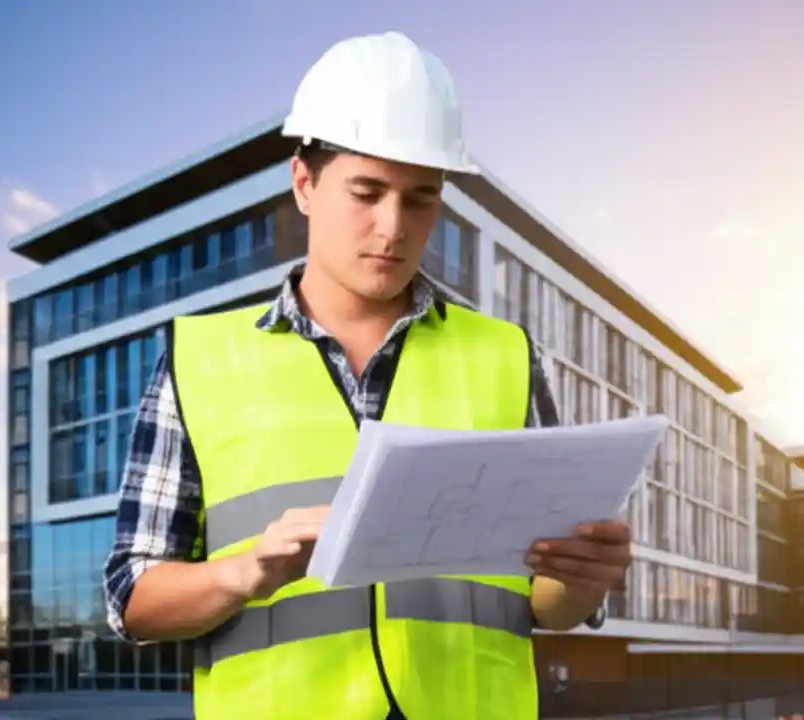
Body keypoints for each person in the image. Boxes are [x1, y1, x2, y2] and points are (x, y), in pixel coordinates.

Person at [102, 31, 632, 719]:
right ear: (304, 184)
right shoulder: (200, 358)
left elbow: (541, 602)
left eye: (420, 199)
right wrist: (247, 573)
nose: (393, 227)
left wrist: (582, 583)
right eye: (366, 191)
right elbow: (133, 599)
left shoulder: (504, 355)